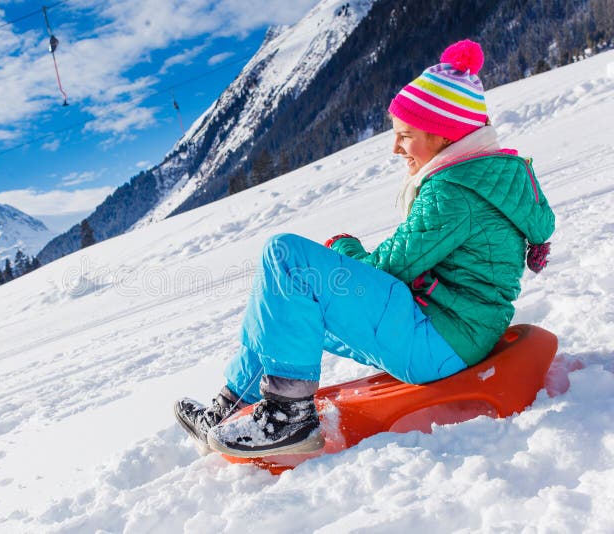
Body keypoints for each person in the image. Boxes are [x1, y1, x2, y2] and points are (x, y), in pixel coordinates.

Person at [174, 40, 555, 459]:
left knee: (286, 257)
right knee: (280, 302)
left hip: (439, 341)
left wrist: (344, 250)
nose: (396, 148)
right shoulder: (482, 179)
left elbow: (388, 270)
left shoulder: (453, 193)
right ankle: (233, 406)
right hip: (447, 330)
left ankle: (289, 415)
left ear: (444, 135)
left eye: (405, 136)